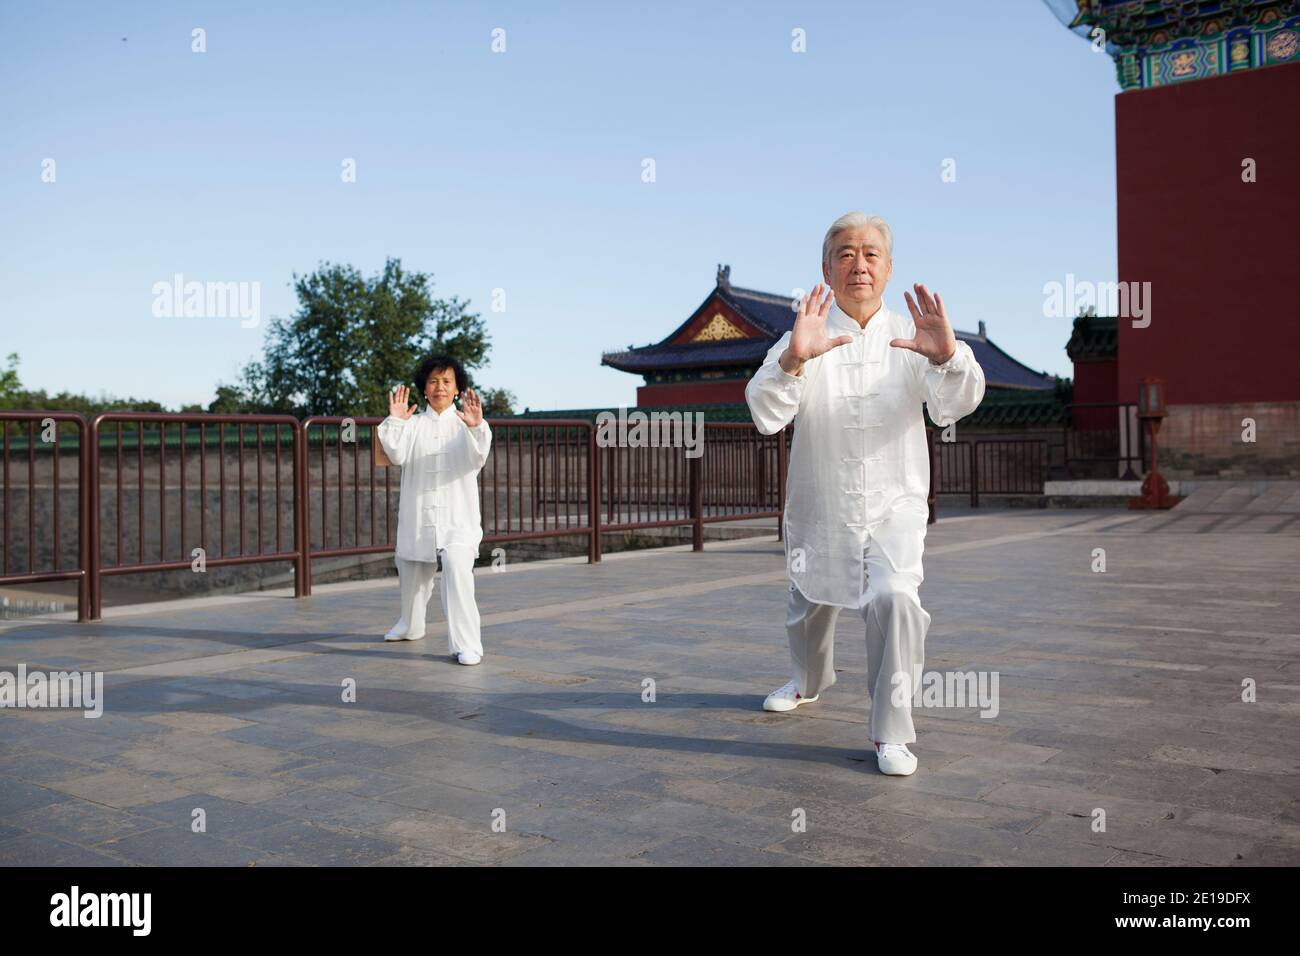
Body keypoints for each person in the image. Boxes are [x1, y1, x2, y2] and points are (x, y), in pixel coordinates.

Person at [745, 212, 985, 775]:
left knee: (896, 599)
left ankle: (892, 731)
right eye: (846, 253)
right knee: (809, 602)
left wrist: (949, 357)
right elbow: (765, 412)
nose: (859, 263)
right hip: (821, 502)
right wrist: (794, 359)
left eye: (871, 253)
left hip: (894, 503)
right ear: (827, 268)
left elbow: (958, 402)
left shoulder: (915, 336)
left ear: (889, 267)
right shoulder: (802, 333)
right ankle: (806, 682)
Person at [376, 354, 492, 665]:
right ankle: (410, 625)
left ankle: (467, 644)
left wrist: (475, 426)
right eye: (433, 381)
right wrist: (396, 420)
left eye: (446, 381)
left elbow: (478, 456)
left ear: (457, 389)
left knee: (456, 569)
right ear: (424, 389)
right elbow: (395, 454)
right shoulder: (413, 425)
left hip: (458, 520)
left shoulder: (468, 424)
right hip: (419, 516)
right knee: (412, 574)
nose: (439, 387)